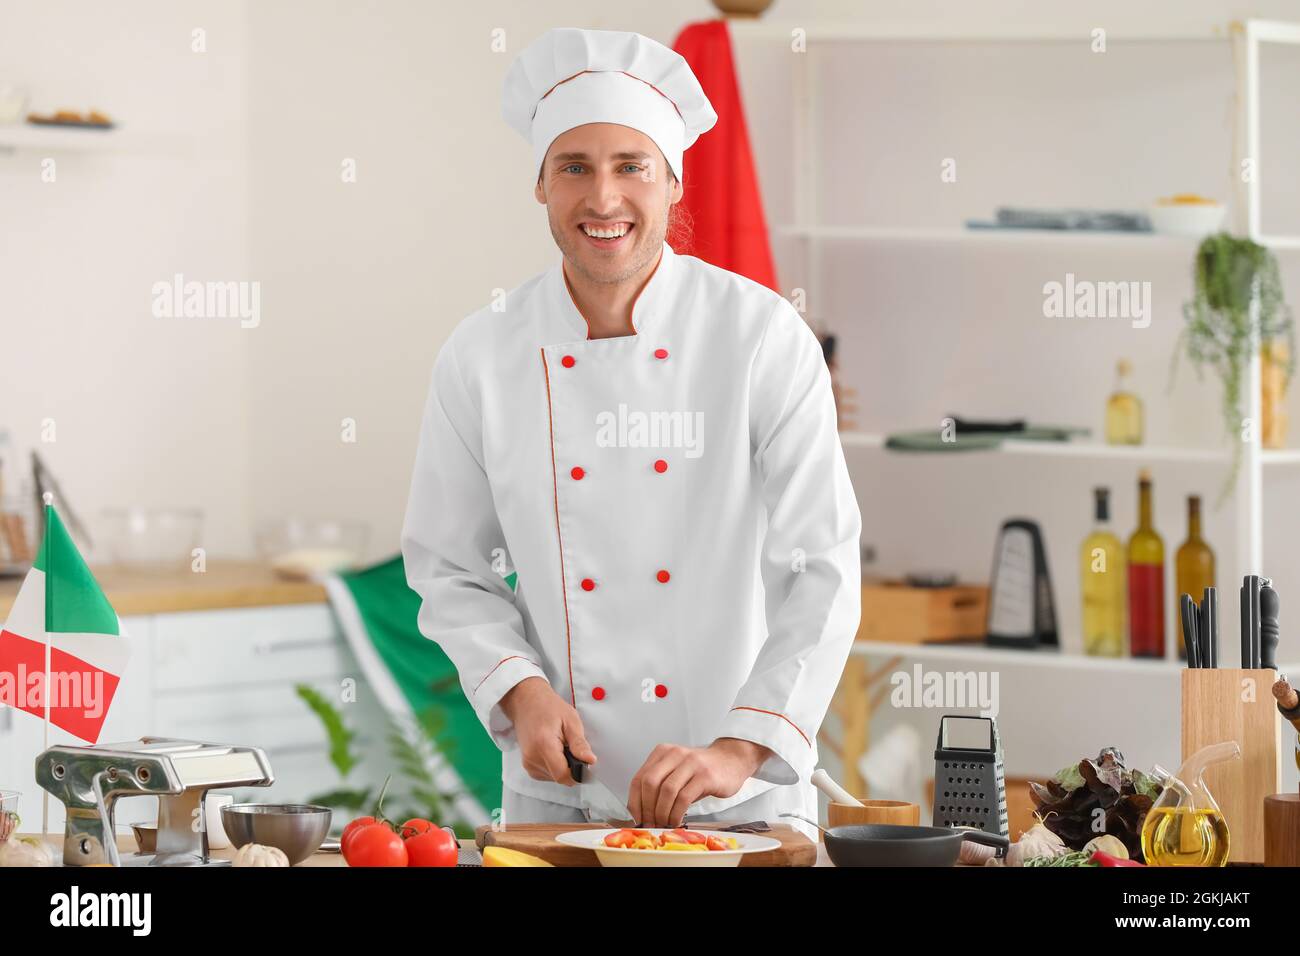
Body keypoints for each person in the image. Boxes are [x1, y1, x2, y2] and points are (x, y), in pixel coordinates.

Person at [402, 27, 861, 829]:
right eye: (574, 167)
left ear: (674, 182)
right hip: (558, 798)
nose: (603, 199)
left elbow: (820, 568)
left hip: (740, 805)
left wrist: (741, 747)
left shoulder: (759, 337)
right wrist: (520, 687)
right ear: (540, 185)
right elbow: (448, 565)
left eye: (631, 167)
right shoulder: (483, 352)